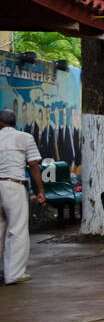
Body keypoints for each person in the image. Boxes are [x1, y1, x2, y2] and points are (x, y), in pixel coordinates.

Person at [0, 108, 45, 285]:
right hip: (14, 185)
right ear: (14, 121)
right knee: (17, 230)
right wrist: (40, 191)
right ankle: (13, 274)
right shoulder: (25, 138)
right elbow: (33, 166)